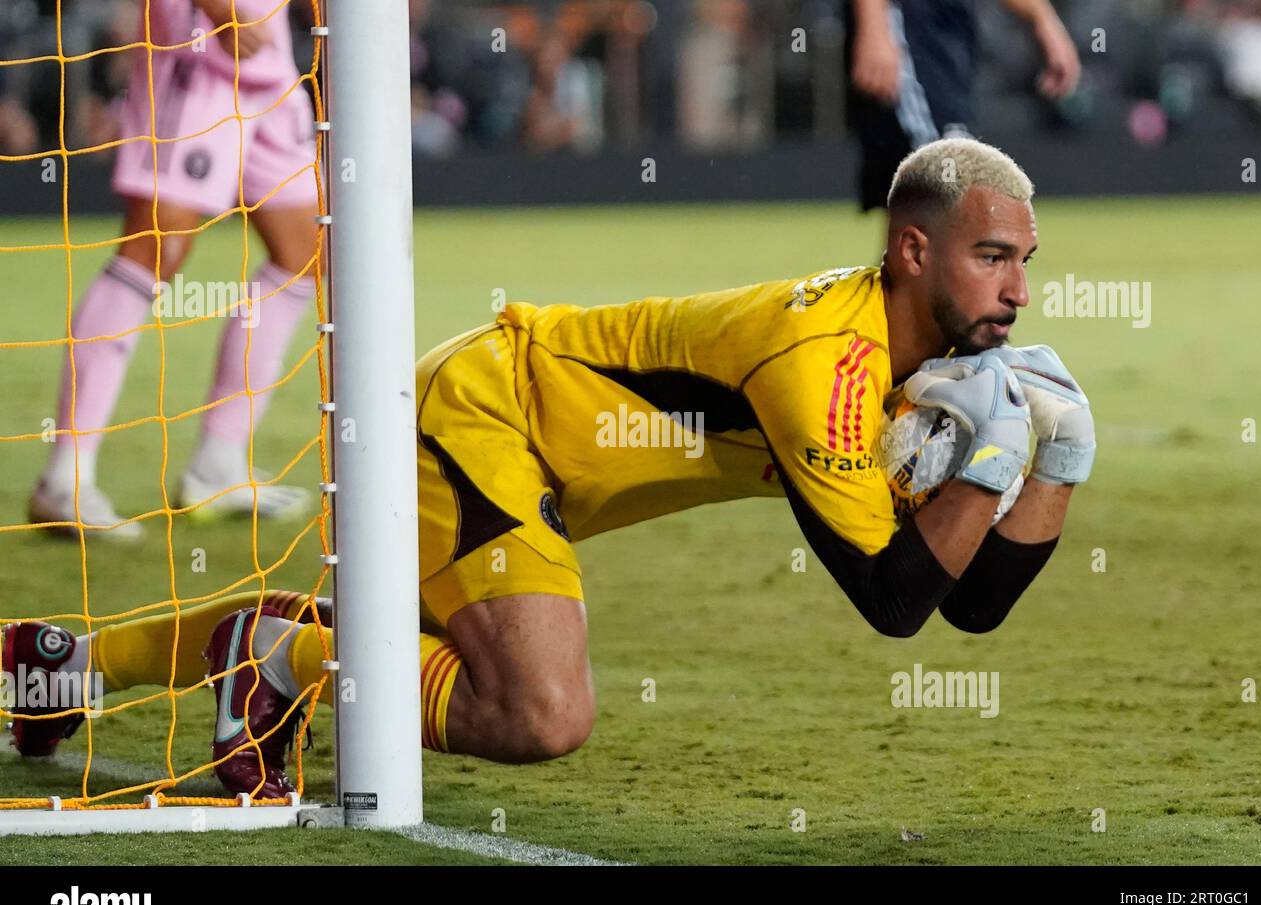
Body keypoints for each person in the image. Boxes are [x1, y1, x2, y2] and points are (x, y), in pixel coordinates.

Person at [5, 140, 1097, 799]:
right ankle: (278, 657)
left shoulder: (940, 373)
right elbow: (898, 602)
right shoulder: (824, 368)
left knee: (384, 636)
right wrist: (987, 467)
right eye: (991, 256)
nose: (1018, 291)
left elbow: (972, 606)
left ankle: (61, 667)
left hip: (525, 448)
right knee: (537, 710)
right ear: (913, 250)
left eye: (1025, 263)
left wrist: (1055, 459)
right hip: (487, 416)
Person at [28, 0, 320, 541]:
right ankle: (64, 481)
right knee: (156, 246)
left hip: (266, 53)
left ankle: (219, 464)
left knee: (306, 255)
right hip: (205, 39)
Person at [846, 0, 1080, 211]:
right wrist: (875, 27)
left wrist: (1044, 20)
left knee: (927, 199)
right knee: (944, 175)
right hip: (910, 23)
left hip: (951, 28)